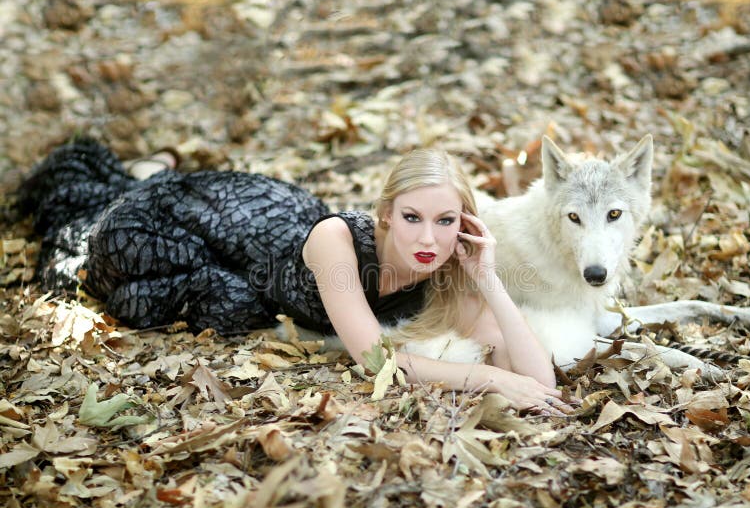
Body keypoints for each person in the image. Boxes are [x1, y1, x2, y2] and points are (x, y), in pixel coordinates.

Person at [18, 140, 570, 413]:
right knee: (103, 251)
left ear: (464, 224)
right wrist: (492, 379)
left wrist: (489, 278)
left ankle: (147, 169)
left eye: (445, 221)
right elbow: (377, 362)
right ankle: (147, 179)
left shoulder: (446, 264)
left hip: (245, 269)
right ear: (385, 217)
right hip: (222, 224)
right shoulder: (339, 243)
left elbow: (540, 381)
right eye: (412, 218)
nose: (429, 239)